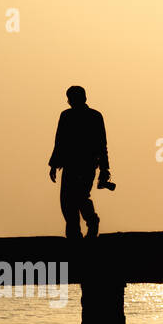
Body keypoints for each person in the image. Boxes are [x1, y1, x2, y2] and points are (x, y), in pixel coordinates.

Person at [48, 85, 110, 239]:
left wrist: (104, 169)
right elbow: (60, 141)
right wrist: (54, 165)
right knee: (68, 201)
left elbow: (101, 145)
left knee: (79, 197)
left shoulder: (94, 117)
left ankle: (91, 222)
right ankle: (74, 233)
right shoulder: (67, 116)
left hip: (86, 164)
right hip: (71, 165)